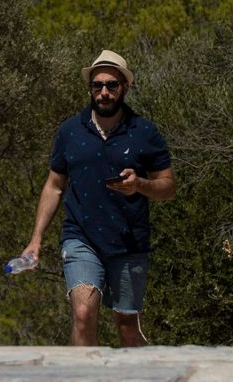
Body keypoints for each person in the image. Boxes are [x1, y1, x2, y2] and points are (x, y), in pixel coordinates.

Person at [22, 50, 176, 347]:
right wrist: (36, 239)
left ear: (125, 88)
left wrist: (140, 185)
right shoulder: (69, 131)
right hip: (80, 236)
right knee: (82, 312)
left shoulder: (145, 132)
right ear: (90, 88)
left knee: (127, 326)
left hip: (129, 240)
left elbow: (168, 188)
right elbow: (54, 186)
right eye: (97, 86)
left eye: (111, 85)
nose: (104, 92)